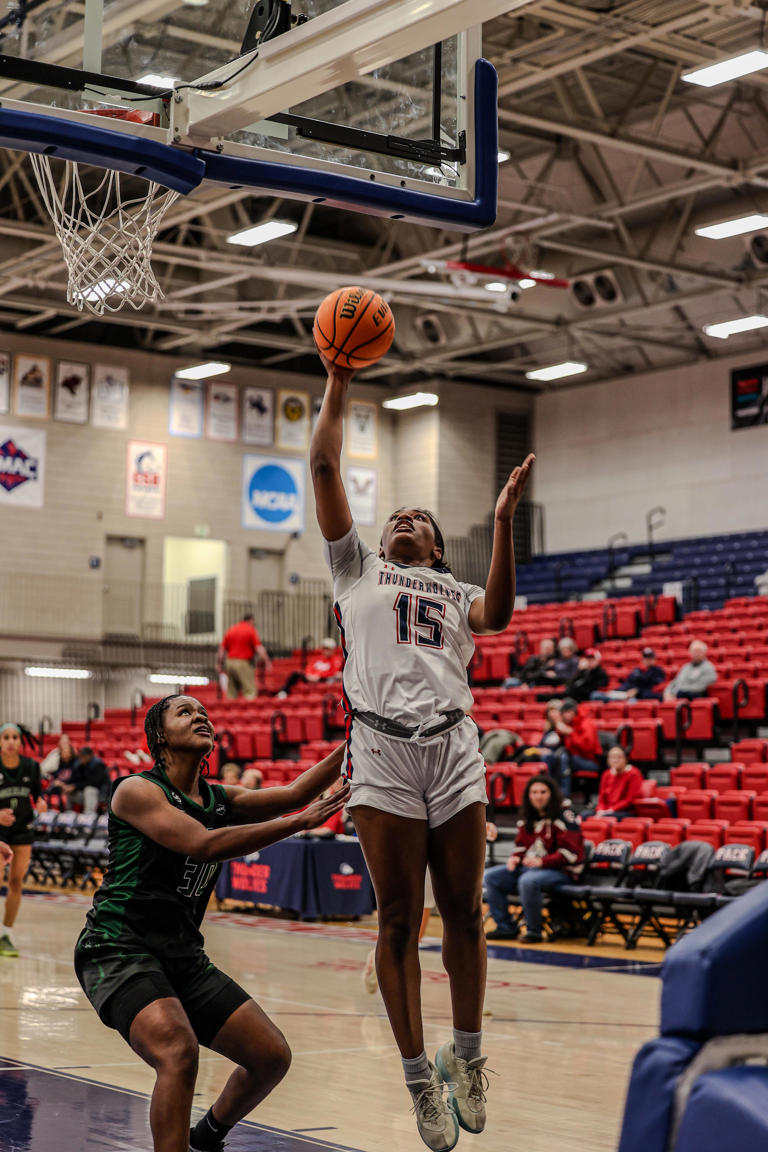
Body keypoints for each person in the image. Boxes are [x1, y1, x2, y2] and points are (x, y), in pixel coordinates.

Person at [310, 347, 534, 1151]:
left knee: (466, 912)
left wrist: (502, 522)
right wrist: (338, 379)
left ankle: (465, 1059)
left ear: (437, 547)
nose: (404, 519)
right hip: (381, 752)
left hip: (452, 748)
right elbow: (325, 464)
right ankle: (417, 1083)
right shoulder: (355, 568)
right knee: (399, 918)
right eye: (395, 516)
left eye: (420, 519)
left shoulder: (455, 589)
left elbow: (498, 617)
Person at [73, 694, 348, 1152]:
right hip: (118, 948)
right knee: (177, 1051)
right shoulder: (137, 791)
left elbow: (296, 793)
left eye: (204, 712)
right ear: (159, 737)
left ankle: (206, 1137)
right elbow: (203, 844)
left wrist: (357, 735)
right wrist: (298, 823)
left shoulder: (221, 798)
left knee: (270, 1056)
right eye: (185, 712)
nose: (200, 716)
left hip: (182, 955)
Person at [484, 774, 584, 943]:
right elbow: (520, 846)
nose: (538, 796)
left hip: (561, 871)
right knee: (491, 876)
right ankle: (505, 927)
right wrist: (515, 858)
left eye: (543, 792)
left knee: (528, 881)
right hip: (529, 869)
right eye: (534, 792)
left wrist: (542, 862)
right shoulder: (527, 816)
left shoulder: (565, 816)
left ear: (552, 794)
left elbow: (572, 853)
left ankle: (534, 931)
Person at [0, 722, 45, 957]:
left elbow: (38, 793)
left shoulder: (31, 766)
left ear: (20, 741)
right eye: (6, 737)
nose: (11, 741)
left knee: (16, 881)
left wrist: (42, 802)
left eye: (15, 737)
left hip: (22, 828)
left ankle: (6, 934)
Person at [542, 698, 602, 797]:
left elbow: (588, 748)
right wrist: (559, 728)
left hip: (590, 761)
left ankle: (563, 795)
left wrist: (571, 733)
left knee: (564, 759)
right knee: (552, 757)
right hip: (574, 758)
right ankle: (552, 791)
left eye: (563, 713)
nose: (561, 716)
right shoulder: (569, 723)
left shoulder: (586, 723)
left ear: (570, 712)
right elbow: (561, 743)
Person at [217, 613, 271, 700]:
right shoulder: (250, 630)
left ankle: (231, 707)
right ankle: (251, 708)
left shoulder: (231, 629)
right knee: (250, 691)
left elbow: (221, 649)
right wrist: (267, 661)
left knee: (231, 692)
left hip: (230, 662)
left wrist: (219, 664)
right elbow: (259, 647)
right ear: (251, 620)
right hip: (243, 663)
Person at [581, 745, 644, 819]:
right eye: (612, 757)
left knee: (605, 817)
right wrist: (600, 810)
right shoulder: (606, 774)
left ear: (625, 759)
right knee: (584, 815)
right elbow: (602, 798)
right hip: (607, 810)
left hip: (625, 811)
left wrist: (611, 810)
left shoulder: (634, 774)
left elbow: (630, 800)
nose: (615, 760)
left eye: (618, 757)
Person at [275, 638, 343, 699]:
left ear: (333, 650)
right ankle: (283, 691)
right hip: (311, 677)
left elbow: (333, 672)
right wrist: (309, 675)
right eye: (324, 648)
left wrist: (319, 676)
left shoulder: (336, 660)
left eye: (327, 649)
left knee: (335, 676)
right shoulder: (318, 659)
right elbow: (309, 667)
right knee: (295, 674)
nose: (325, 651)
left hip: (322, 678)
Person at [591, 647, 665, 702]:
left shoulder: (657, 671)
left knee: (631, 702)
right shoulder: (637, 670)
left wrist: (637, 690)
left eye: (650, 658)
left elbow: (653, 685)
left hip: (636, 697)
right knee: (595, 694)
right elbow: (628, 682)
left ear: (654, 659)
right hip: (623, 693)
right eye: (646, 658)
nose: (647, 660)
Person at [41, 732, 79, 807]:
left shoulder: (76, 762)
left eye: (66, 743)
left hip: (70, 788)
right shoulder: (56, 757)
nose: (64, 753)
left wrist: (65, 785)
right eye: (62, 742)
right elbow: (45, 769)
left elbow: (77, 780)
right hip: (56, 784)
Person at [71, 745, 110, 813]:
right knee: (70, 793)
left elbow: (95, 782)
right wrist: (71, 787)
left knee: (89, 789)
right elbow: (76, 779)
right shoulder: (80, 765)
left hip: (101, 792)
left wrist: (76, 786)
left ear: (90, 756)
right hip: (84, 791)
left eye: (83, 756)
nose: (81, 759)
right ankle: (67, 813)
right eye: (80, 756)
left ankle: (89, 814)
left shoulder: (98, 764)